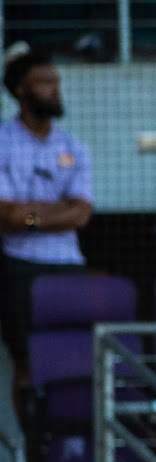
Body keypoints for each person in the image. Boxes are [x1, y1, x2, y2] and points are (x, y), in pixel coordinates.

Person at [0, 44, 93, 390]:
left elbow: (82, 213)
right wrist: (59, 209)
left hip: (69, 264)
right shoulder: (3, 143)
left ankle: (68, 441)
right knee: (25, 365)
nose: (54, 89)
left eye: (56, 81)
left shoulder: (74, 147)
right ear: (21, 89)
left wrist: (31, 216)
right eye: (44, 82)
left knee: (74, 361)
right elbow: (5, 215)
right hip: (21, 265)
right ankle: (30, 444)